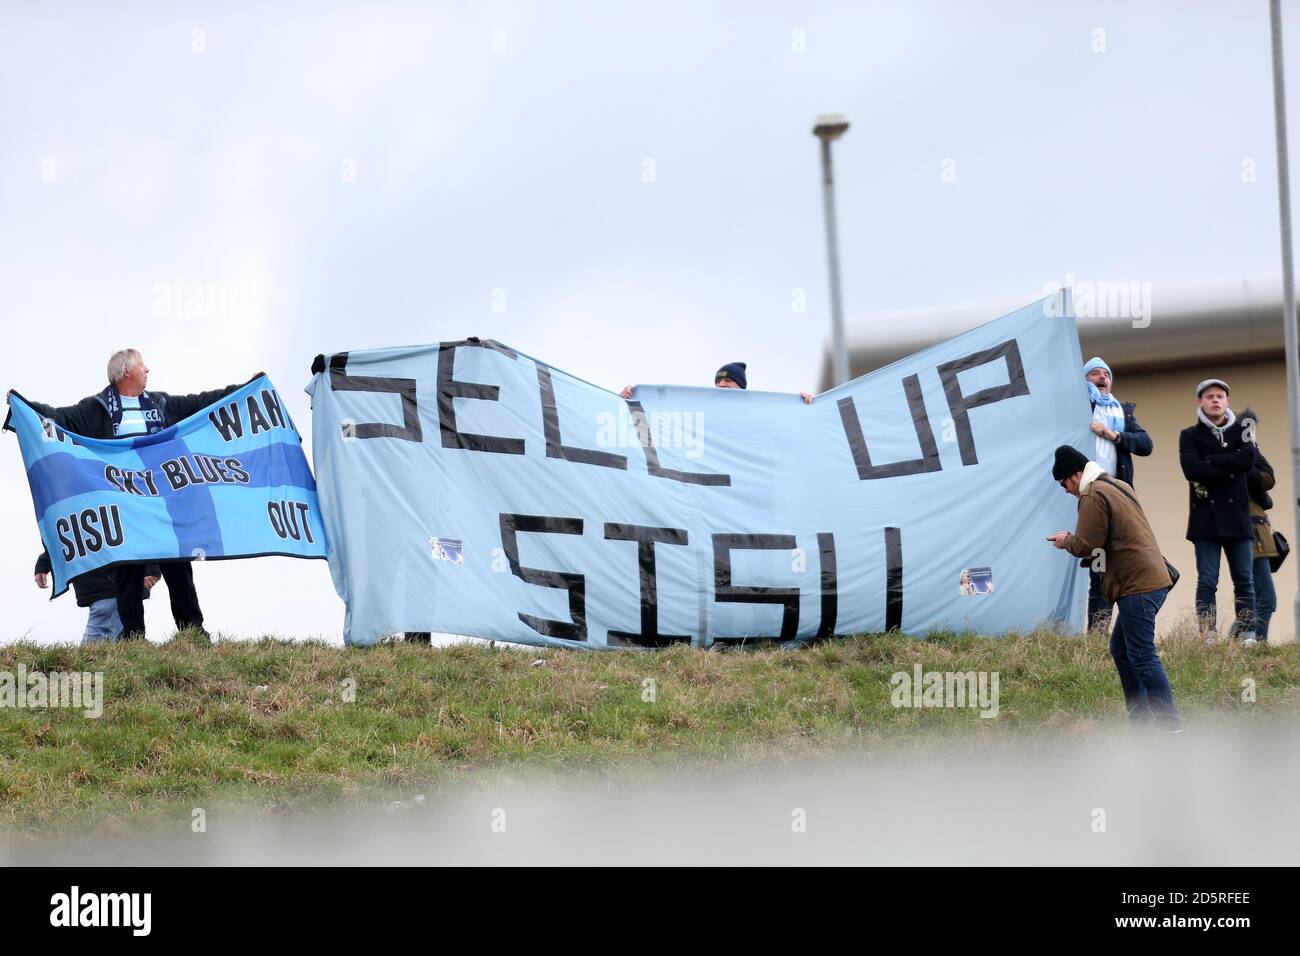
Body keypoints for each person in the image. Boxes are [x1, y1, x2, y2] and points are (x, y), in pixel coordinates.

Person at [9, 348, 241, 641]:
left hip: (163, 500)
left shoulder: (161, 404)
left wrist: (242, 389)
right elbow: (59, 418)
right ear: (125, 372)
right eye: (142, 364)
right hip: (123, 502)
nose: (148, 369)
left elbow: (201, 403)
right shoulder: (94, 409)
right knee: (127, 574)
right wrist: (25, 407)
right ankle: (133, 639)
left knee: (179, 567)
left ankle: (193, 633)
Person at [1047, 445, 1180, 732]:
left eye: (1064, 483)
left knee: (1142, 654)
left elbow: (1085, 544)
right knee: (1120, 649)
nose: (1065, 490)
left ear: (1076, 474)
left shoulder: (1092, 495)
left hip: (1137, 584)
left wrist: (1066, 541)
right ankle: (1141, 721)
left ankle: (1171, 729)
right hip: (1152, 578)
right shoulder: (1117, 484)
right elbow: (1116, 537)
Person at [1178, 378, 1257, 645]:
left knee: (1244, 578)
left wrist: (1210, 462)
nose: (1215, 400)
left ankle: (1248, 633)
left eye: (1220, 396)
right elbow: (1191, 469)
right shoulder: (1189, 435)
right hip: (1205, 520)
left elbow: (1247, 460)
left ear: (1227, 401)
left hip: (1238, 518)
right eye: (1209, 396)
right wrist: (1228, 469)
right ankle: (1208, 633)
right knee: (1208, 579)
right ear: (1199, 402)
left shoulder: (1243, 429)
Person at [1081, 357, 1154, 632]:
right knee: (1098, 561)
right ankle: (1097, 632)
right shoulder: (1079, 408)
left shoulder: (1121, 413)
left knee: (1122, 561)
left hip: (1119, 496)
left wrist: (1114, 435)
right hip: (1089, 495)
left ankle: (1117, 630)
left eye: (1106, 374)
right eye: (1094, 374)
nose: (1102, 378)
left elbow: (1146, 444)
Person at [35, 549, 160, 643]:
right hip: (103, 591)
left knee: (90, 658)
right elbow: (68, 534)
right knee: (125, 642)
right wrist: (44, 562)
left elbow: (133, 529)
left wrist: (151, 567)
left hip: (112, 591)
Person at [1241, 407, 1278, 643]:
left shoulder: (1250, 454)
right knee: (1264, 597)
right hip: (1249, 531)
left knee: (1255, 595)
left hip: (1259, 531)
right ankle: (1254, 644)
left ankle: (1242, 642)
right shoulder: (1240, 456)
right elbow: (1262, 479)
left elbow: (1268, 480)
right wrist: (1250, 451)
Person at [620, 362, 815, 403]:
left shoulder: (761, 410)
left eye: (729, 380)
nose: (722, 385)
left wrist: (805, 406)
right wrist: (628, 402)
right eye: (718, 381)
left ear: (741, 386)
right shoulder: (701, 411)